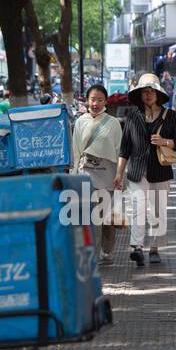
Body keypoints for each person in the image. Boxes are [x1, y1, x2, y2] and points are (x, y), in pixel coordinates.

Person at [113, 72, 176, 267]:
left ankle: (154, 248)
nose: (148, 94)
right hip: (137, 171)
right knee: (138, 209)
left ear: (158, 93)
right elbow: (125, 148)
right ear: (140, 94)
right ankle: (137, 247)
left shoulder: (170, 116)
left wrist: (165, 142)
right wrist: (119, 173)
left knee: (158, 211)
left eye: (151, 91)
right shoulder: (132, 116)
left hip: (160, 170)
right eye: (144, 91)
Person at [72, 84, 123, 266]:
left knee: (106, 216)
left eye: (100, 100)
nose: (95, 103)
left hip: (107, 175)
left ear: (105, 102)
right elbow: (76, 150)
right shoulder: (80, 122)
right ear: (87, 100)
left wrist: (120, 174)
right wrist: (73, 174)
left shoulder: (113, 123)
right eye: (93, 99)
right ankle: (92, 254)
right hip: (86, 173)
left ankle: (107, 249)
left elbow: (120, 151)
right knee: (92, 217)